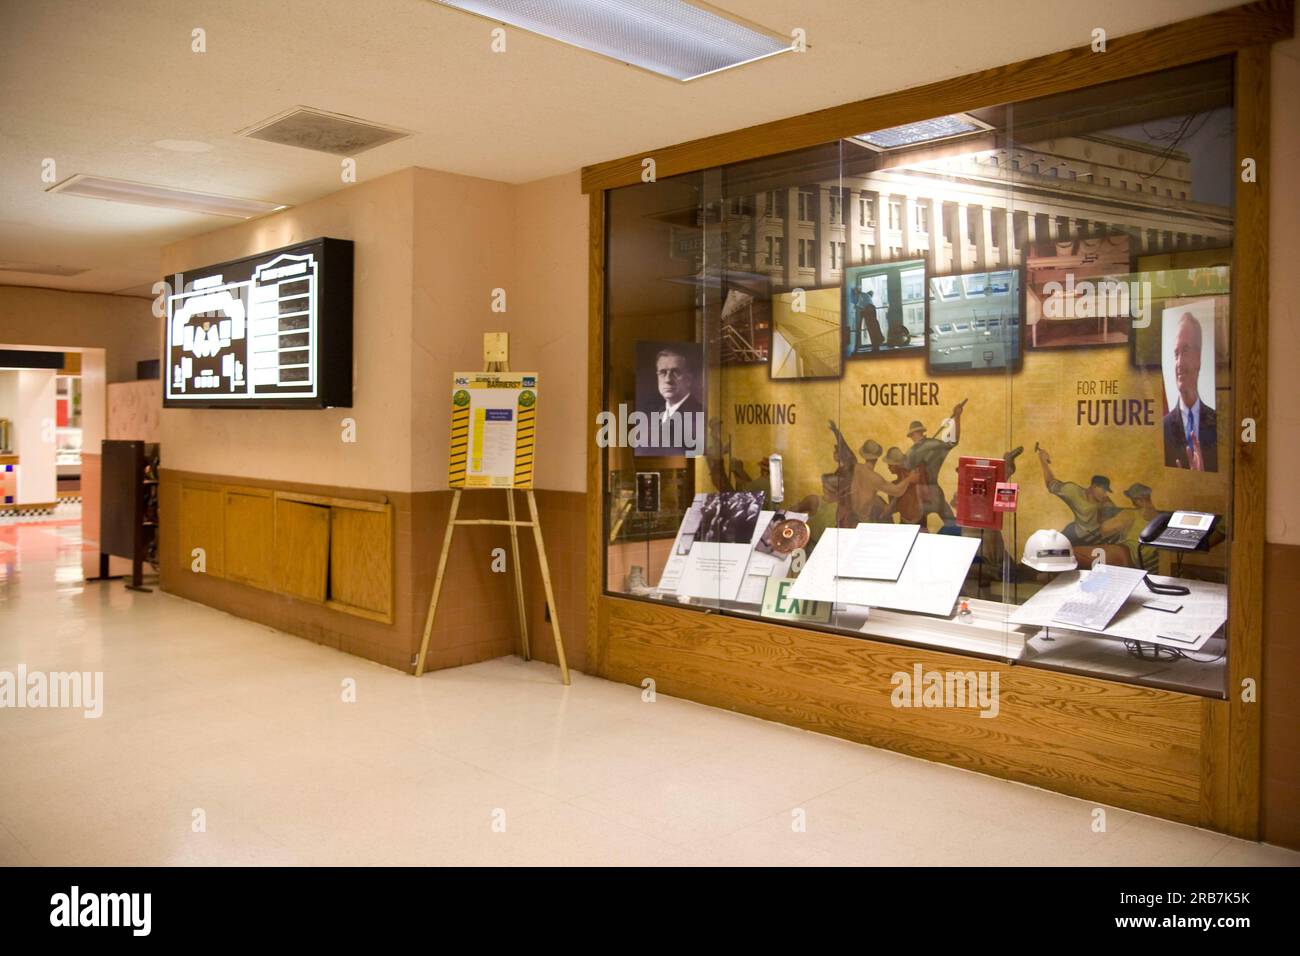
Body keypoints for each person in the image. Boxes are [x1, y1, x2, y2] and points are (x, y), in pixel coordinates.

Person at [1162, 313, 1217, 471]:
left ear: (1198, 359)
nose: (1178, 362)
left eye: (1185, 351)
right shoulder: (1162, 429)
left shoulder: (1217, 425)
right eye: (1176, 354)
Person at [902, 400, 966, 529]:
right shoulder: (934, 444)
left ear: (914, 434)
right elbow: (953, 440)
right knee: (952, 524)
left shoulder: (911, 452)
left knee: (911, 530)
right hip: (935, 492)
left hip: (918, 496)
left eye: (912, 435)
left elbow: (904, 469)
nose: (912, 437)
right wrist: (957, 417)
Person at [1036, 445, 1114, 545]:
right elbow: (1051, 484)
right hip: (1075, 532)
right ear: (1094, 486)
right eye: (1103, 490)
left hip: (1092, 537)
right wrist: (1043, 462)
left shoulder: (1105, 501)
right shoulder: (1073, 491)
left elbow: (1111, 518)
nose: (1105, 494)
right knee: (1055, 545)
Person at [850, 439, 916, 522]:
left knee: (878, 500)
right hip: (864, 519)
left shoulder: (856, 467)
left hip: (853, 514)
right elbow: (897, 491)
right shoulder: (875, 478)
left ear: (863, 455)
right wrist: (910, 478)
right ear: (877, 458)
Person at [1113, 482, 1165, 573]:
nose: (1132, 503)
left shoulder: (1131, 514)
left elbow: (1105, 529)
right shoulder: (1160, 517)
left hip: (1127, 554)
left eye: (1133, 500)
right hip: (1140, 557)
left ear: (1139, 500)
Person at [856, 288, 883, 353]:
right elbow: (862, 306)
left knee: (871, 329)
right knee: (874, 327)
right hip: (872, 309)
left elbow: (860, 306)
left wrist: (856, 307)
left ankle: (876, 346)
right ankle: (878, 342)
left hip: (868, 310)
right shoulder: (868, 298)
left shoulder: (864, 295)